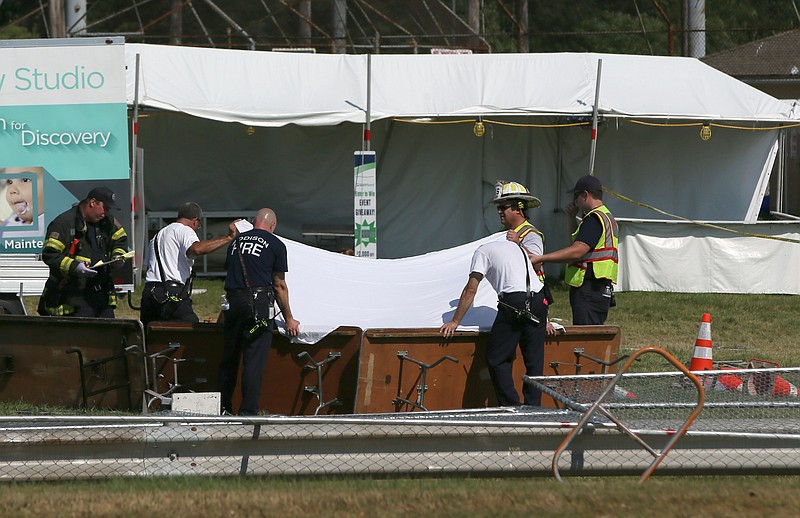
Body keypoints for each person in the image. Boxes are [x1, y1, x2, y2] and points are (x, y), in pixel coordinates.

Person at [440, 182, 549, 407]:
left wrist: (456, 321)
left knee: (497, 358)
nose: (499, 211)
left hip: (519, 302)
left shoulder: (526, 237)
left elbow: (472, 288)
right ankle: (533, 409)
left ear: (519, 208)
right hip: (537, 300)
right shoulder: (508, 241)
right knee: (534, 362)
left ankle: (512, 407)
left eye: (504, 207)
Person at [218, 208, 300, 415]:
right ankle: (248, 412)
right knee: (253, 359)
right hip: (259, 304)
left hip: (233, 302)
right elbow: (279, 284)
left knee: (229, 357)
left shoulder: (236, 242)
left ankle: (223, 407)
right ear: (272, 225)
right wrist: (289, 318)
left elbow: (231, 275)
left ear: (254, 222)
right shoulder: (276, 244)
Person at [526, 175, 618, 325]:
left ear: (585, 195)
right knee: (592, 335)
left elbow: (577, 251)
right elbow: (578, 244)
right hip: (599, 288)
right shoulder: (605, 216)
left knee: (586, 339)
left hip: (589, 288)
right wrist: (571, 218)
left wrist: (541, 258)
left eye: (576, 196)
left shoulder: (593, 219)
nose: (574, 201)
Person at [140, 202, 237, 328]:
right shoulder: (184, 230)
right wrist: (229, 238)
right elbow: (196, 249)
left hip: (149, 293)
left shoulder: (158, 236)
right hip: (171, 291)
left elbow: (148, 267)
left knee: (152, 334)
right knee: (191, 331)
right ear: (195, 220)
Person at [37, 187, 129, 317]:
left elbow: (120, 239)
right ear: (93, 202)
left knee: (107, 335)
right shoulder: (63, 223)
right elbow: (50, 255)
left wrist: (118, 255)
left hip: (101, 294)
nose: (106, 213)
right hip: (74, 295)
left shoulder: (107, 221)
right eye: (105, 207)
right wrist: (75, 266)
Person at [0, 166, 45, 238]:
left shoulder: (48, 225)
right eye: (9, 182)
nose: (12, 190)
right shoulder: (15, 215)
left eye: (25, 180)